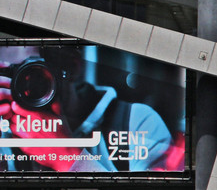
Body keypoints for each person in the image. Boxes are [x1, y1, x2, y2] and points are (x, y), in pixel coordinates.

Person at [0, 45, 178, 173]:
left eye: (40, 75)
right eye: (15, 77)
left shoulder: (134, 122)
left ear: (73, 67)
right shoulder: (4, 135)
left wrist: (69, 157)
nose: (29, 89)